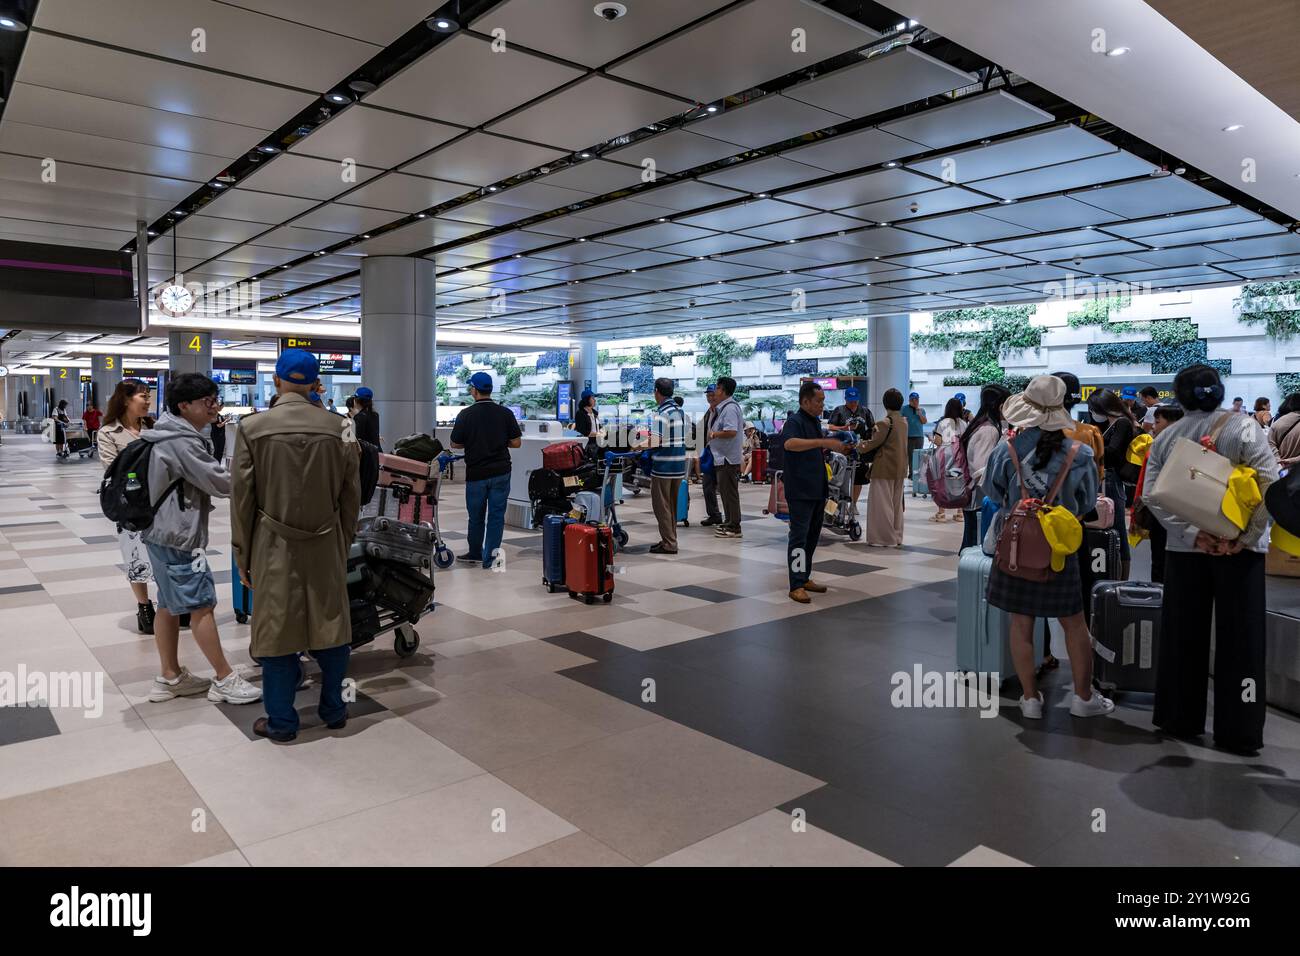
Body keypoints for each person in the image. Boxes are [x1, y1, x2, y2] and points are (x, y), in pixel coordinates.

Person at [1144, 364, 1277, 755]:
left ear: (1178, 397)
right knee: (1243, 639)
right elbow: (1269, 482)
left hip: (1186, 552)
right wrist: (1244, 537)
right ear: (1220, 392)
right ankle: (1241, 731)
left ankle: (1178, 718)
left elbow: (1153, 495)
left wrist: (1191, 533)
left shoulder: (1165, 437)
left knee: (1182, 636)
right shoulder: (1245, 428)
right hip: (1241, 552)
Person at [230, 349, 361, 742]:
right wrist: (343, 539)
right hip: (326, 540)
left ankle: (283, 723)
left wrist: (242, 552)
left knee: (277, 629)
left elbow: (242, 499)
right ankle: (335, 712)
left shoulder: (252, 428)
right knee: (332, 624)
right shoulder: (341, 427)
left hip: (272, 542)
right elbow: (351, 495)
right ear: (315, 383)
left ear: (276, 381)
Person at [983, 375, 1110, 720]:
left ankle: (1030, 699)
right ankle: (1083, 698)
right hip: (1059, 550)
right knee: (1074, 624)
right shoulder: (1080, 453)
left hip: (1015, 549)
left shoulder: (1004, 450)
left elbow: (993, 496)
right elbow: (1086, 505)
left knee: (1021, 625)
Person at [139, 373, 260, 706]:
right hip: (179, 537)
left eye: (215, 399)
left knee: (167, 602)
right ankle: (224, 678)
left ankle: (169, 676)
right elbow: (221, 483)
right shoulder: (182, 441)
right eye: (208, 401)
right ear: (184, 405)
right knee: (201, 604)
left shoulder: (163, 433)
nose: (215, 406)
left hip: (158, 533)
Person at [781, 381, 853, 602]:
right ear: (805, 401)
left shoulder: (813, 421)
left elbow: (817, 445)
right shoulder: (795, 421)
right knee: (799, 537)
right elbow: (790, 444)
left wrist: (835, 444)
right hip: (800, 489)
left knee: (812, 537)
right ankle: (795, 584)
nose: (823, 405)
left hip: (816, 488)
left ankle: (804, 576)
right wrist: (822, 442)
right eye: (819, 401)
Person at [98, 380, 157, 635]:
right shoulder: (108, 433)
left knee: (162, 556)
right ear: (125, 400)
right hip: (130, 506)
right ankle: (144, 607)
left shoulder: (156, 429)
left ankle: (172, 604)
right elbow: (111, 470)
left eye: (148, 397)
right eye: (142, 396)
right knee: (135, 558)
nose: (147, 401)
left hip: (159, 503)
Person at [450, 371, 522, 569]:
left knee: (476, 516)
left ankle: (475, 552)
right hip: (501, 471)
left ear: (474, 390)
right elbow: (516, 443)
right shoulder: (505, 413)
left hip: (476, 474)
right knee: (497, 516)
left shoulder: (466, 415)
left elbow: (455, 443)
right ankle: (490, 558)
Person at [1088, 387, 1139, 580]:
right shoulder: (1110, 424)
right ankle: (1113, 574)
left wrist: (1090, 443)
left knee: (1117, 529)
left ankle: (1121, 578)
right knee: (1107, 527)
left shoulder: (1123, 423)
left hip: (1111, 481)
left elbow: (1113, 453)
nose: (1092, 413)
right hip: (1104, 480)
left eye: (1093, 408)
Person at [957, 384, 1010, 550]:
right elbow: (980, 470)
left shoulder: (984, 425)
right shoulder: (989, 430)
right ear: (1000, 405)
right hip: (979, 499)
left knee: (971, 542)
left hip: (977, 497)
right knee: (973, 544)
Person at [637, 378, 687, 555]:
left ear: (657, 391)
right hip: (679, 465)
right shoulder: (679, 411)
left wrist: (637, 446)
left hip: (664, 466)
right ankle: (670, 539)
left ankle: (669, 543)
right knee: (671, 505)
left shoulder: (662, 413)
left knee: (661, 506)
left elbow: (656, 440)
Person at [1136, 404, 1184, 583]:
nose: (1153, 427)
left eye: (1157, 422)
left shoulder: (1162, 448)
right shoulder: (1188, 446)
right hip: (1176, 515)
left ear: (1173, 424)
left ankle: (1162, 604)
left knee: (1161, 563)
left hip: (1163, 513)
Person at [859, 388, 911, 548]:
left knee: (881, 505)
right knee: (896, 505)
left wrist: (857, 445)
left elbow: (872, 443)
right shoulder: (903, 422)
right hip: (900, 468)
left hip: (884, 468)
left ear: (885, 403)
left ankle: (884, 538)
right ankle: (896, 536)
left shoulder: (884, 423)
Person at [826, 387, 875, 508]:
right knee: (838, 478)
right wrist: (843, 428)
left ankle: (853, 504)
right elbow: (830, 426)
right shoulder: (839, 410)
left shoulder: (865, 411)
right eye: (850, 401)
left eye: (855, 401)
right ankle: (834, 507)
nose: (853, 403)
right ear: (845, 399)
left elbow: (873, 428)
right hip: (842, 449)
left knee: (859, 478)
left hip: (860, 449)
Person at [709, 376, 745, 539]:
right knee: (725, 491)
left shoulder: (730, 408)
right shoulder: (722, 408)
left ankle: (734, 526)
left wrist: (714, 434)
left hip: (727, 458)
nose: (714, 391)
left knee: (729, 492)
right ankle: (729, 521)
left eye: (716, 388)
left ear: (723, 390)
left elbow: (731, 431)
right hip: (722, 457)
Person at [928, 398, 967, 522]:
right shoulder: (963, 423)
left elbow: (939, 441)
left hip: (944, 455)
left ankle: (941, 512)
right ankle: (960, 512)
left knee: (941, 482)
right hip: (960, 455)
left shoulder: (944, 422)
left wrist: (931, 438)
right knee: (958, 481)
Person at [1268, 392, 1300, 466]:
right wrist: (1293, 460)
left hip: (1280, 468)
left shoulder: (1278, 422)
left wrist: (1278, 459)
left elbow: (1270, 443)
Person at [901, 391, 927, 479]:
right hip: (908, 436)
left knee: (919, 455)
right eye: (913, 400)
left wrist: (919, 414)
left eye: (917, 399)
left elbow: (924, 421)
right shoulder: (904, 409)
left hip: (919, 436)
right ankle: (912, 474)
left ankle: (918, 473)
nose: (915, 401)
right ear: (909, 400)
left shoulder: (921, 410)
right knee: (911, 456)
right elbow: (900, 419)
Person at [352, 386, 381, 450]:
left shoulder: (359, 417)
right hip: (376, 452)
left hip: (366, 455)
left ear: (357, 400)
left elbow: (356, 439)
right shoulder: (375, 415)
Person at [574, 388, 601, 455]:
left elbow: (599, 427)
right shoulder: (580, 413)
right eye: (592, 398)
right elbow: (582, 431)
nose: (595, 400)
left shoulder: (595, 413)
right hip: (587, 443)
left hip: (598, 441)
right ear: (587, 399)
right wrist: (598, 434)